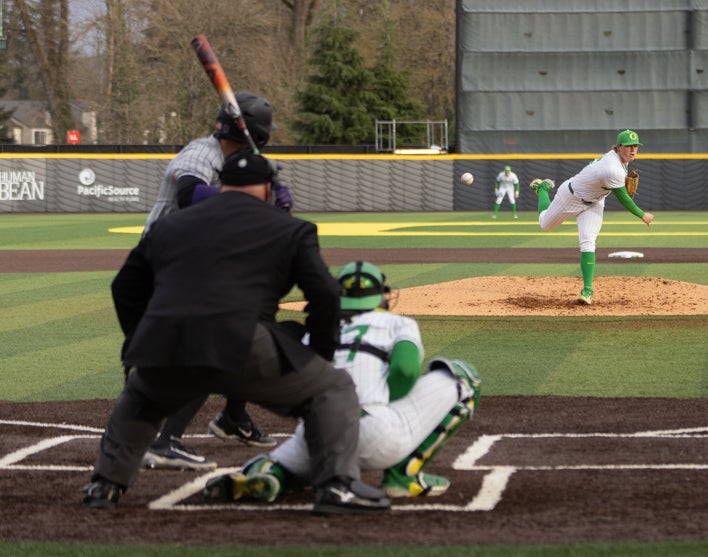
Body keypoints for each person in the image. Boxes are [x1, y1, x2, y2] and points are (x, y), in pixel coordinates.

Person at [81, 150, 389, 515]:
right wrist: (319, 354)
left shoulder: (170, 225)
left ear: (221, 185)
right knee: (332, 387)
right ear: (267, 189)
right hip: (244, 342)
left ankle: (104, 486)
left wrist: (139, 342)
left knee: (141, 398)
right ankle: (336, 488)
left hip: (168, 343)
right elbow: (325, 296)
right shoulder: (290, 227)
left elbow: (125, 286)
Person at [202, 260, 481, 503]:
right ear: (381, 296)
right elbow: (406, 372)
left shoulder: (317, 329)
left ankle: (268, 474)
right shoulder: (398, 323)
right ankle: (402, 477)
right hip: (379, 436)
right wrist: (385, 397)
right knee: (462, 378)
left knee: (276, 461)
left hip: (316, 436)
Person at [141, 92, 290, 472]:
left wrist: (271, 198)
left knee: (249, 328)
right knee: (213, 345)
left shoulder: (245, 162)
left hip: (199, 264)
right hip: (166, 262)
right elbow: (190, 194)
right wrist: (256, 195)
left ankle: (233, 418)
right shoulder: (202, 152)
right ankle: (166, 441)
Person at [528, 129, 654, 305]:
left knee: (588, 241)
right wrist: (642, 215)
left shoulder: (620, 161)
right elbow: (624, 199)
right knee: (544, 224)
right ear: (618, 147)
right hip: (571, 197)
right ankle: (542, 190)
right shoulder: (612, 168)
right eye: (628, 146)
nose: (633, 150)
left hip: (594, 202)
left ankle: (587, 290)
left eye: (636, 146)